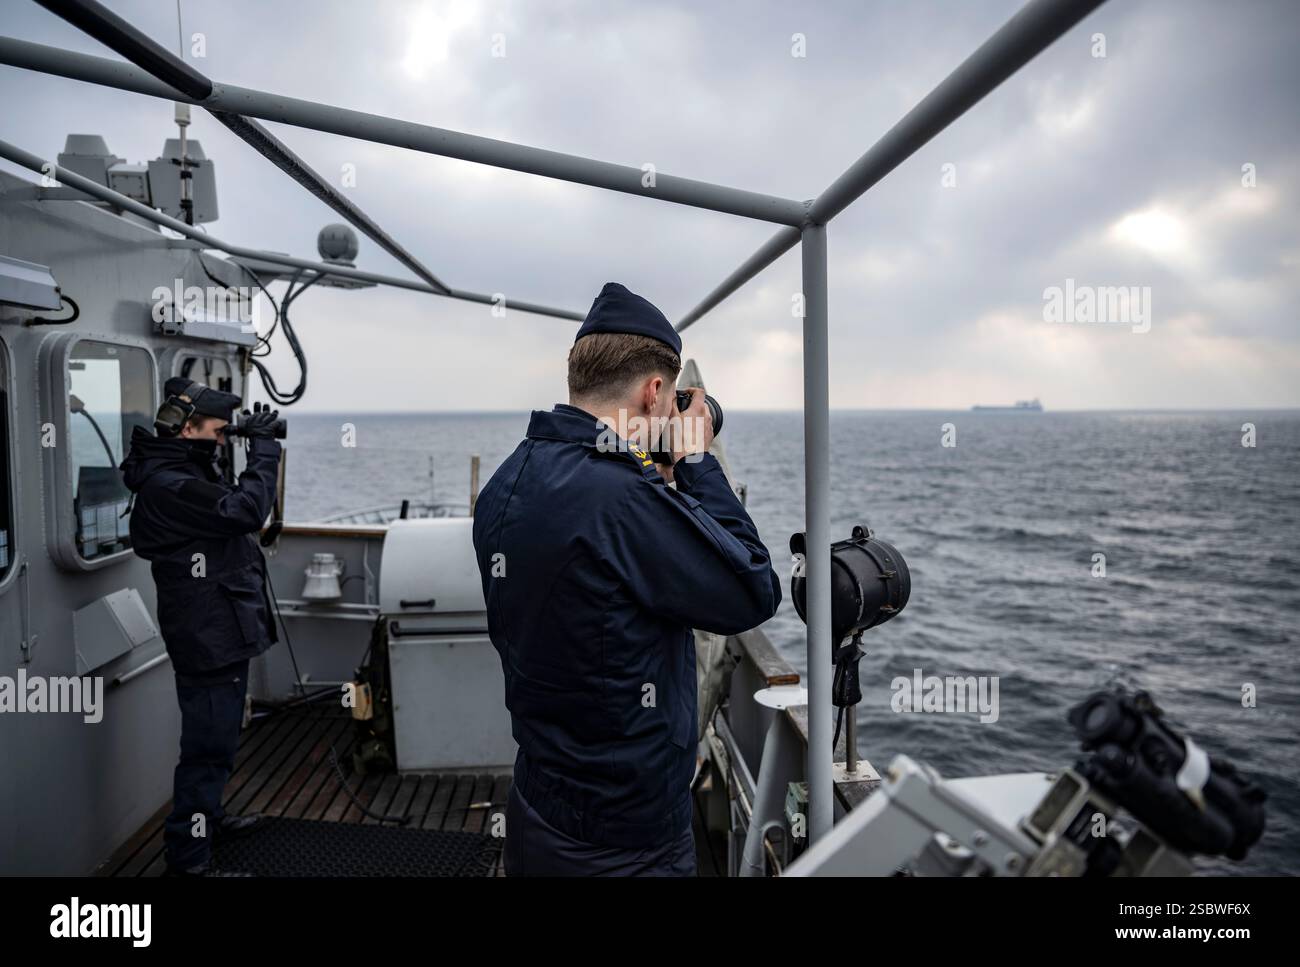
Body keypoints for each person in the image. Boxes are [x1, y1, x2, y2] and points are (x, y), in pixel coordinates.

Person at [472, 281, 782, 876]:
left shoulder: (509, 480)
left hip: (540, 801)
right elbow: (752, 588)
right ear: (655, 390)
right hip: (625, 839)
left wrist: (655, 478)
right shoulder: (619, 500)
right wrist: (694, 459)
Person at [119, 378, 283, 876]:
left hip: (217, 630)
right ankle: (189, 861)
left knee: (219, 742)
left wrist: (226, 450)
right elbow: (247, 511)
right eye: (215, 433)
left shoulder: (183, 470)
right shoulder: (172, 486)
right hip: (207, 636)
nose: (220, 441)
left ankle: (208, 819)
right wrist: (264, 450)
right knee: (206, 752)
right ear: (185, 428)